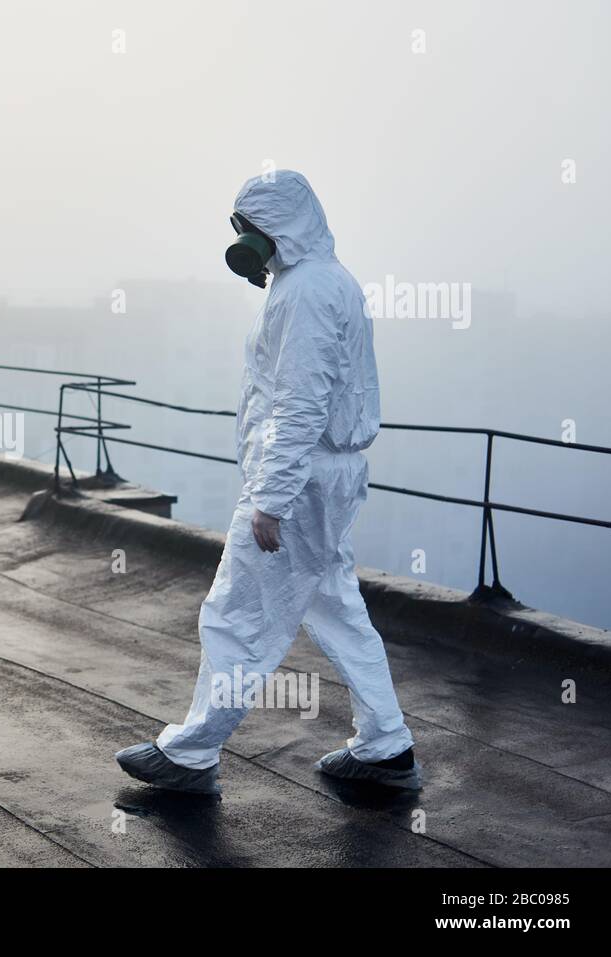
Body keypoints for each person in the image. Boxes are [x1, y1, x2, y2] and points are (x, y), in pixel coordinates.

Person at [116, 170, 420, 794]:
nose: (243, 239)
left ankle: (191, 753)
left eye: (248, 227)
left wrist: (271, 499)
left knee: (237, 613)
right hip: (325, 476)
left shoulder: (306, 291)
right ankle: (386, 745)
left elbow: (300, 403)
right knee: (336, 608)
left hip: (298, 481)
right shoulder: (320, 279)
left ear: (278, 225)